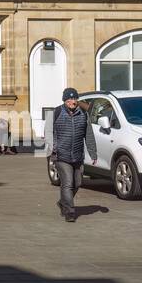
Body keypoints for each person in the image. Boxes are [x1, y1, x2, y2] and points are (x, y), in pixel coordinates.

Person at [49, 87, 98, 222]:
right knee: (68, 183)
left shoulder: (83, 113)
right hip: (61, 155)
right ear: (65, 100)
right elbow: (48, 132)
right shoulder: (57, 112)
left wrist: (93, 154)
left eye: (75, 98)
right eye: (70, 99)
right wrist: (52, 149)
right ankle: (70, 212)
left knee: (77, 183)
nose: (73, 101)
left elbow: (89, 135)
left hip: (77, 155)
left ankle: (63, 202)